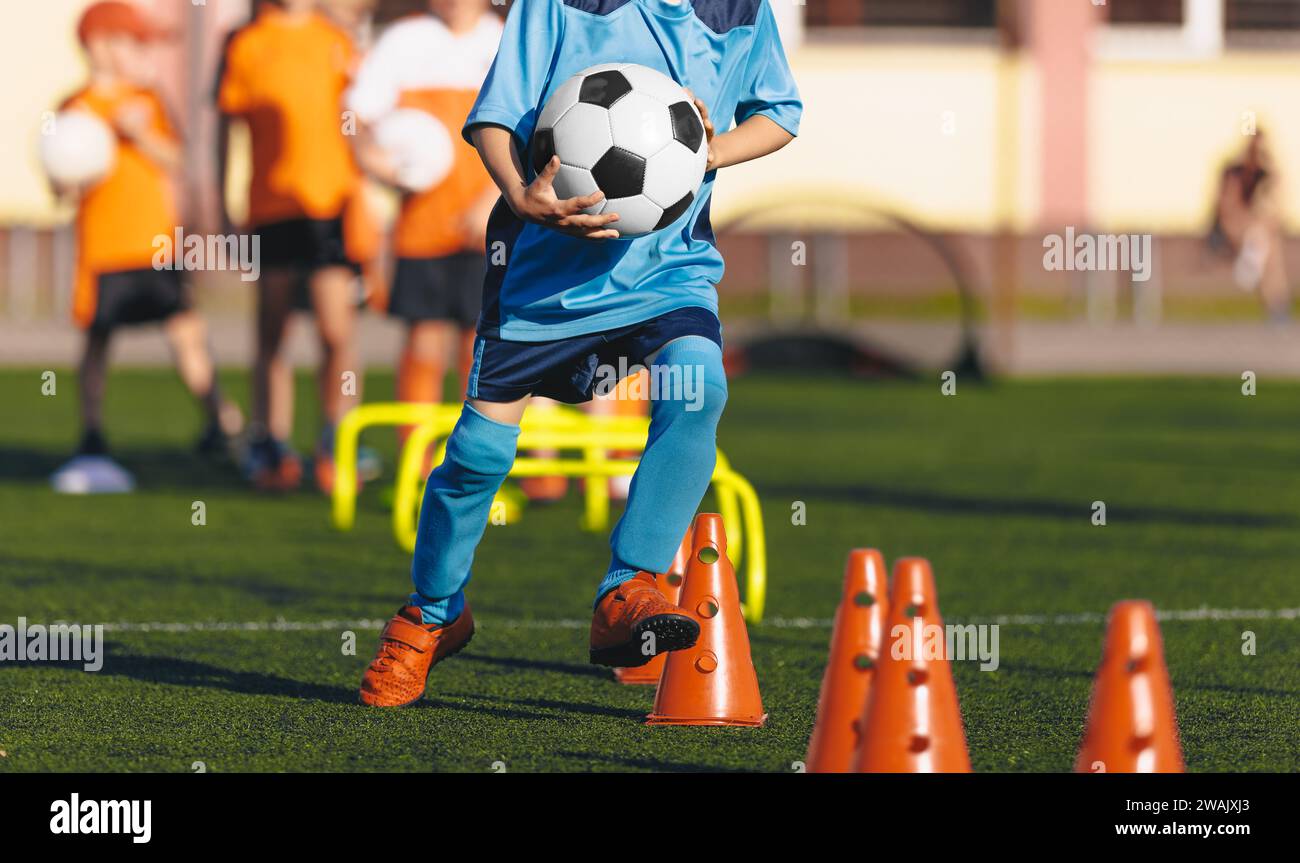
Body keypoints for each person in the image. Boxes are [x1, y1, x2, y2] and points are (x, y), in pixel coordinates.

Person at [359, 0, 801, 707]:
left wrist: (708, 151)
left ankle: (632, 584)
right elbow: (494, 118)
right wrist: (519, 194)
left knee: (699, 387)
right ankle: (434, 612)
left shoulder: (741, 9)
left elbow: (779, 111)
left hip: (667, 273)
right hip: (542, 283)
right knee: (476, 458)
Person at [49, 1, 240, 495]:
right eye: (135, 42)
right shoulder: (74, 107)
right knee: (97, 340)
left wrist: (139, 134)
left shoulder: (147, 100)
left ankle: (219, 421)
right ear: (101, 45)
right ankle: (91, 434)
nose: (144, 53)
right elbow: (60, 185)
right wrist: (68, 177)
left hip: (154, 245)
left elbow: (176, 157)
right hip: (103, 250)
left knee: (185, 330)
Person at [216, 0, 376, 492]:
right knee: (273, 329)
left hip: (332, 205)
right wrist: (224, 205)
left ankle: (337, 437)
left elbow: (365, 116)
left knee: (335, 329)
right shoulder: (246, 42)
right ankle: (270, 440)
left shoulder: (338, 39)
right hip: (271, 205)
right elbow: (227, 128)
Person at [345, 0, 502, 437]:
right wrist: (374, 158)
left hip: (491, 231)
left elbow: (532, 130)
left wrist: (495, 196)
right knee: (424, 343)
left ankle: (476, 465)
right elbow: (355, 118)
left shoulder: (506, 40)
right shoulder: (402, 40)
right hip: (422, 229)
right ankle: (417, 464)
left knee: (482, 346)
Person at [1209, 131, 1290, 320]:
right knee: (1262, 241)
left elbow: (1278, 209)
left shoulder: (1267, 175)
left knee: (1265, 244)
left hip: (1259, 233)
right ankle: (1277, 307)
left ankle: (1251, 264)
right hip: (1236, 229)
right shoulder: (1234, 173)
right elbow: (1227, 209)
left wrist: (1272, 177)